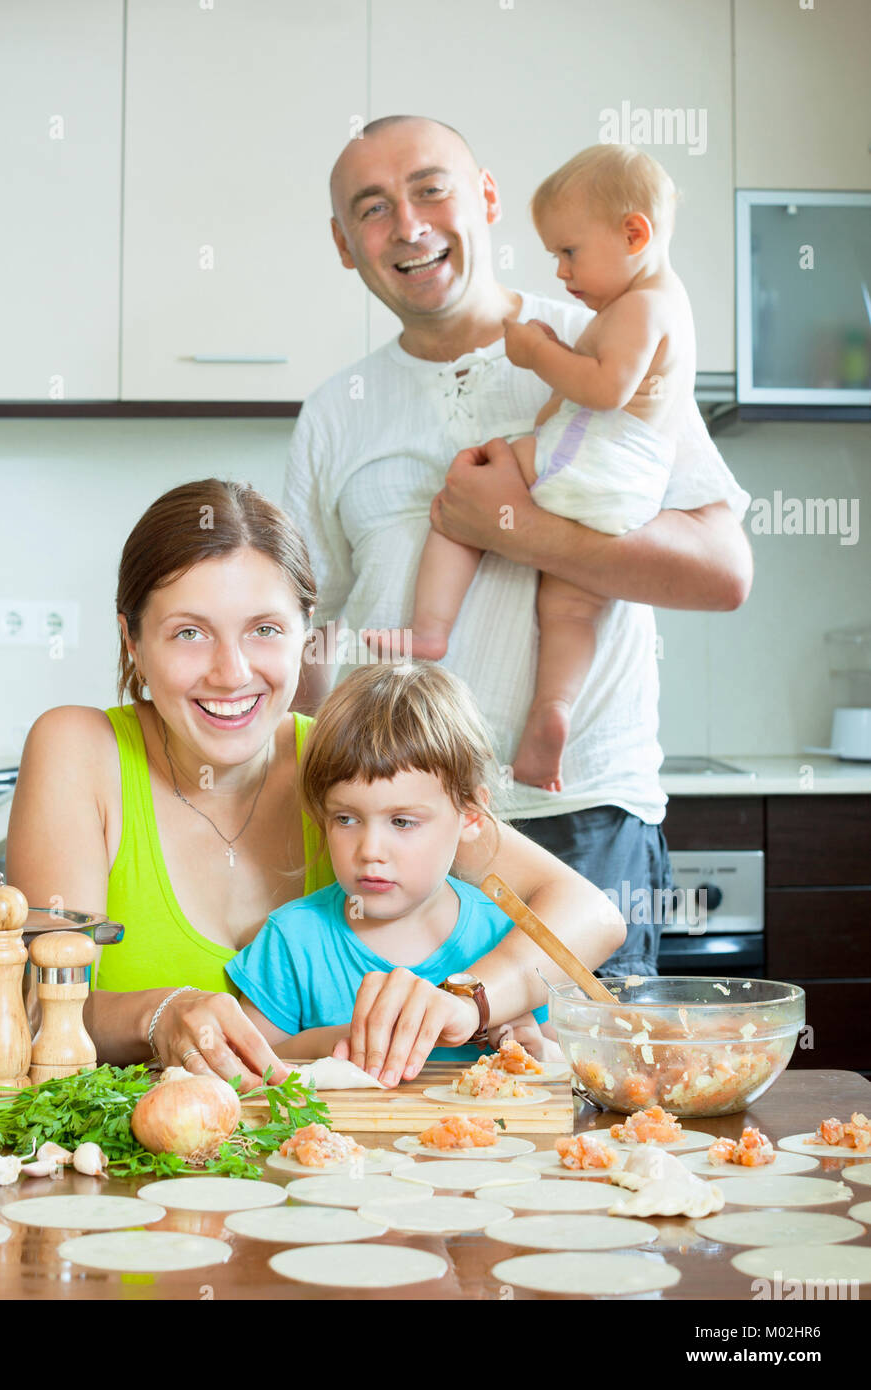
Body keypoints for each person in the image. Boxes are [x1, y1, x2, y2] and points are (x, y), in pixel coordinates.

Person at [287, 115, 753, 978]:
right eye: (375, 208)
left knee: (591, 1102)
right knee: (403, 1091)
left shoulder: (604, 337)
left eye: (432, 189)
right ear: (345, 245)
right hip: (399, 834)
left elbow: (724, 572)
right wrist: (307, 807)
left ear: (487, 197)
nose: (411, 224)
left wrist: (514, 526)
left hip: (579, 814)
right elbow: (309, 635)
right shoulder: (335, 412)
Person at [6, 478, 624, 1091]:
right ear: (132, 642)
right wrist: (158, 1013)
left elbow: (590, 914)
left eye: (265, 630)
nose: (232, 672)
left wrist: (471, 1001)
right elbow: (35, 1009)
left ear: (307, 631)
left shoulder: (347, 762)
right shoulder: (81, 751)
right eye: (189, 633)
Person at [401, 144, 693, 793]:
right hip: (629, 493)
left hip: (591, 459)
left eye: (569, 251)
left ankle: (428, 630)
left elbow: (607, 387)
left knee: (469, 483)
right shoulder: (665, 307)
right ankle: (551, 712)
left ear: (634, 233)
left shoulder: (639, 307)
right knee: (570, 607)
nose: (561, 273)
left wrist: (536, 353)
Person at [229, 662, 562, 1063]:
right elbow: (251, 1066)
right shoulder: (292, 940)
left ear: (471, 816)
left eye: (402, 822)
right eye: (346, 818)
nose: (370, 849)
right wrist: (350, 1040)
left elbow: (562, 1065)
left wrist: (537, 1051)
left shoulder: (506, 936)